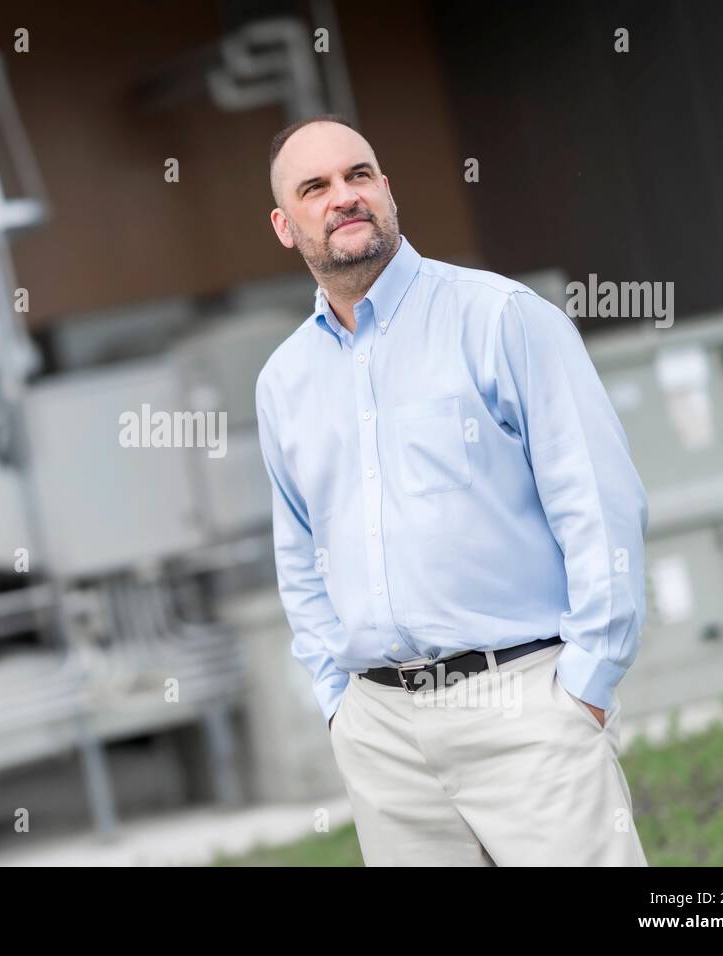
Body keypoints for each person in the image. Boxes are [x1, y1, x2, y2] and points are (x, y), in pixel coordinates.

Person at [255, 114, 650, 866]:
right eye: (316, 187)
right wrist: (339, 705)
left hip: (526, 707)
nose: (344, 196)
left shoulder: (500, 317)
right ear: (285, 225)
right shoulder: (283, 383)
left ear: (387, 191)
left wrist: (586, 686)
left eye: (359, 175)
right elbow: (299, 556)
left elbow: (600, 504)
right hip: (381, 735)